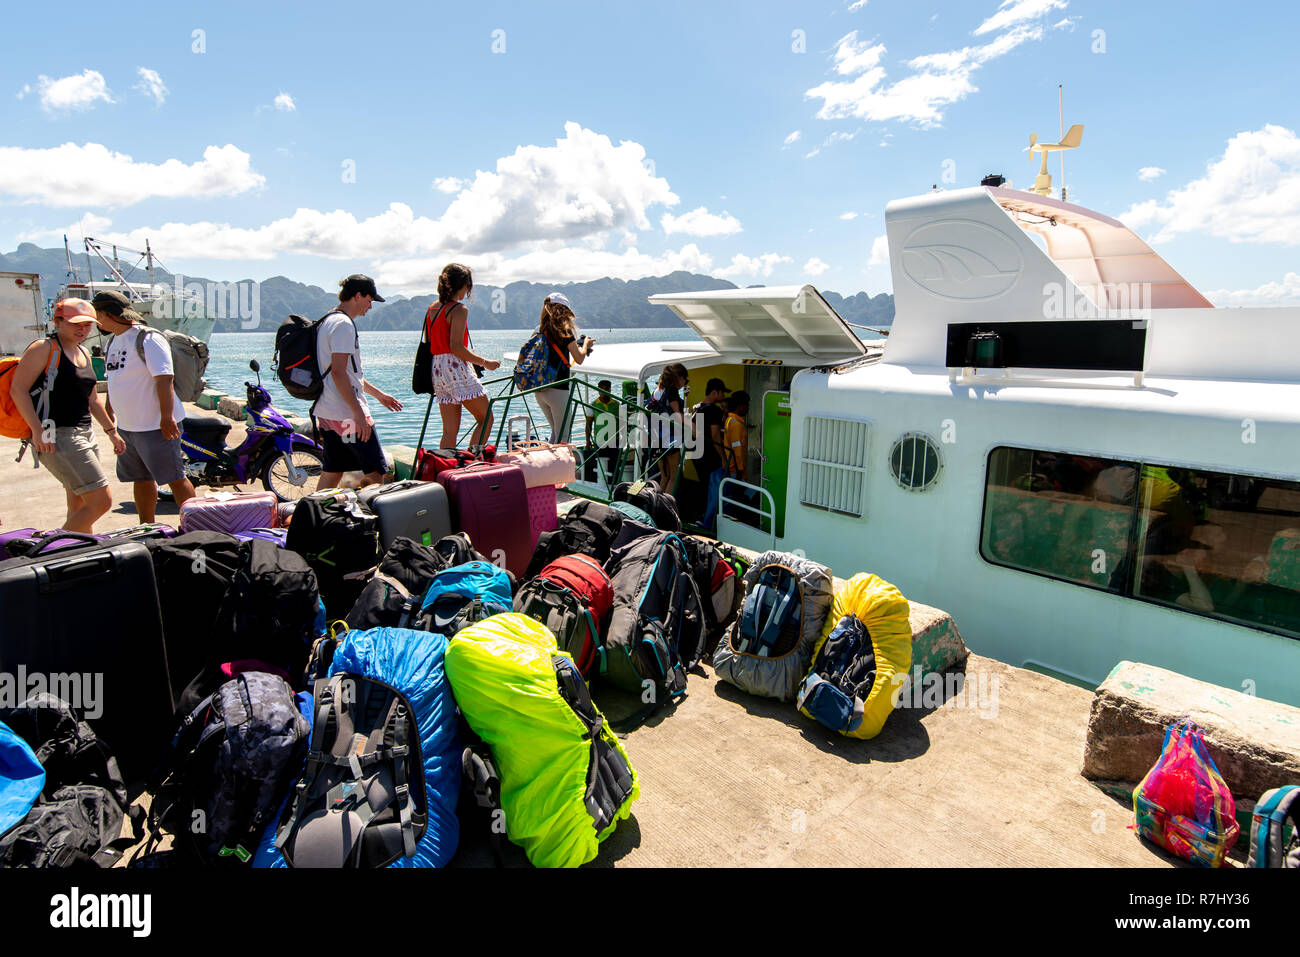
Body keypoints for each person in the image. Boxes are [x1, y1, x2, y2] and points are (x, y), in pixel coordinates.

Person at [7, 298, 124, 532]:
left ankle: (79, 554)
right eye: (75, 324)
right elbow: (17, 389)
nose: (82, 329)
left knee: (80, 504)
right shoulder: (44, 348)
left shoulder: (83, 353)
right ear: (58, 322)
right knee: (101, 501)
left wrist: (111, 432)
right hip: (57, 435)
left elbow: (92, 400)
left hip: (84, 433)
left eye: (87, 325)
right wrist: (37, 431)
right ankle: (53, 549)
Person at [91, 290, 196, 522]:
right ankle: (147, 528)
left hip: (155, 425)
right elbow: (114, 378)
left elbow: (164, 378)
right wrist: (110, 408)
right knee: (141, 478)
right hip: (129, 427)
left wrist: (167, 417)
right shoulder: (112, 341)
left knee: (175, 477)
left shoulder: (148, 338)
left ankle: (196, 528)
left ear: (108, 314)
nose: (96, 320)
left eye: (97, 314)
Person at [314, 274, 404, 490]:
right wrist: (358, 414)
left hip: (328, 412)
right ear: (358, 295)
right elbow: (338, 373)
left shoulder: (327, 320)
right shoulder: (344, 325)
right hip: (347, 415)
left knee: (333, 470)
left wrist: (379, 395)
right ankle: (377, 520)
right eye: (370, 299)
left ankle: (315, 514)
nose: (370, 306)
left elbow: (346, 373)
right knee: (375, 474)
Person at [424, 263, 500, 450]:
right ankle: (472, 463)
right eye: (468, 286)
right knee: (486, 418)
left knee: (449, 431)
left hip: (437, 368)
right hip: (455, 366)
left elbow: (433, 341)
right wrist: (486, 362)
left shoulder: (432, 308)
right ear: (463, 285)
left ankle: (445, 466)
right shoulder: (458, 309)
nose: (467, 290)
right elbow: (456, 347)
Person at [533, 292, 593, 443]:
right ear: (563, 311)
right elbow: (579, 359)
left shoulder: (538, 330)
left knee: (556, 434)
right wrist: (586, 344)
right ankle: (559, 466)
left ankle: (550, 465)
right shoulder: (564, 331)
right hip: (558, 390)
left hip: (540, 390)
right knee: (563, 437)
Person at [693, 378, 731, 529]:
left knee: (702, 485)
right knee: (712, 488)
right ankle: (708, 521)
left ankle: (701, 516)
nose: (722, 396)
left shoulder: (697, 407)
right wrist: (723, 457)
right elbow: (715, 436)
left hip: (696, 453)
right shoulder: (714, 410)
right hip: (709, 455)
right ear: (715, 392)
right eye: (722, 393)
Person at [648, 362, 688, 492]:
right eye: (685, 379)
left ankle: (657, 506)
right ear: (679, 377)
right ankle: (666, 507)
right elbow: (678, 414)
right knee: (674, 476)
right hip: (670, 438)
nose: (684, 383)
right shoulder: (672, 391)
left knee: (664, 476)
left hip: (657, 438)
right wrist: (694, 429)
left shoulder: (657, 390)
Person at [584, 378, 622, 486]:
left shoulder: (617, 404)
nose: (604, 391)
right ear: (598, 390)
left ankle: (614, 486)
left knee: (614, 465)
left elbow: (622, 423)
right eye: (601, 389)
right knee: (600, 465)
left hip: (615, 441)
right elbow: (588, 424)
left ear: (610, 390)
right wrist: (587, 441)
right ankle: (601, 486)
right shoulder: (592, 405)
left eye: (607, 389)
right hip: (599, 441)